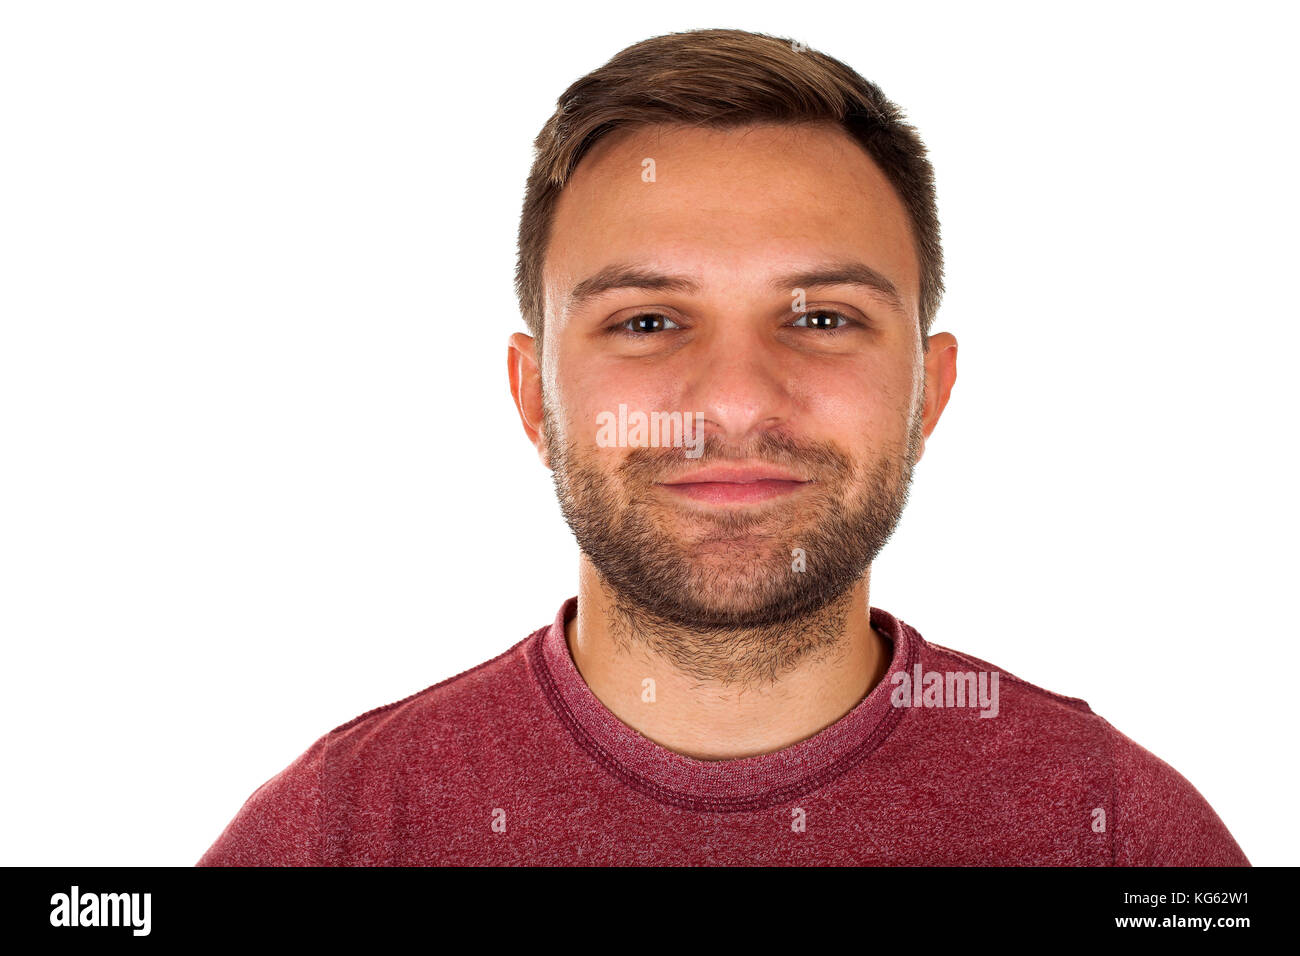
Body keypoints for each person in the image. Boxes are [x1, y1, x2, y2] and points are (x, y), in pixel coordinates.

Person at [198, 27, 1248, 866]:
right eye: (648, 321)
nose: (737, 397)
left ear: (929, 391)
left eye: (823, 317)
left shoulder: (1114, 834)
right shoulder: (335, 835)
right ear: (534, 397)